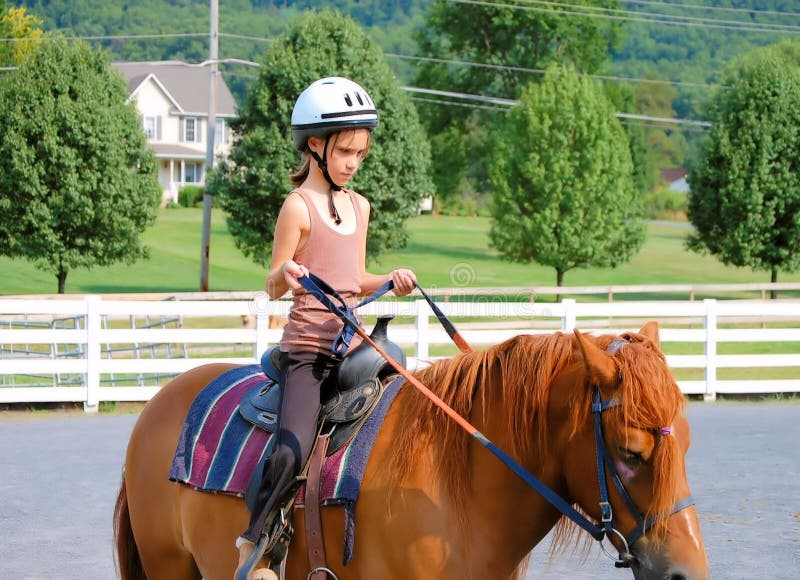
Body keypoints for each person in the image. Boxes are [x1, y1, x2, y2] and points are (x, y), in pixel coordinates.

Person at [235, 76, 417, 579]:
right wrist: (287, 273)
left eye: (360, 152)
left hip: (353, 343)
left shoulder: (360, 207)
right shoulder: (297, 207)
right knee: (293, 444)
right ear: (314, 145)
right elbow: (272, 283)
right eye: (345, 152)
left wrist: (392, 279)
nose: (354, 162)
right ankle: (257, 546)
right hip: (309, 352)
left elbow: (354, 279)